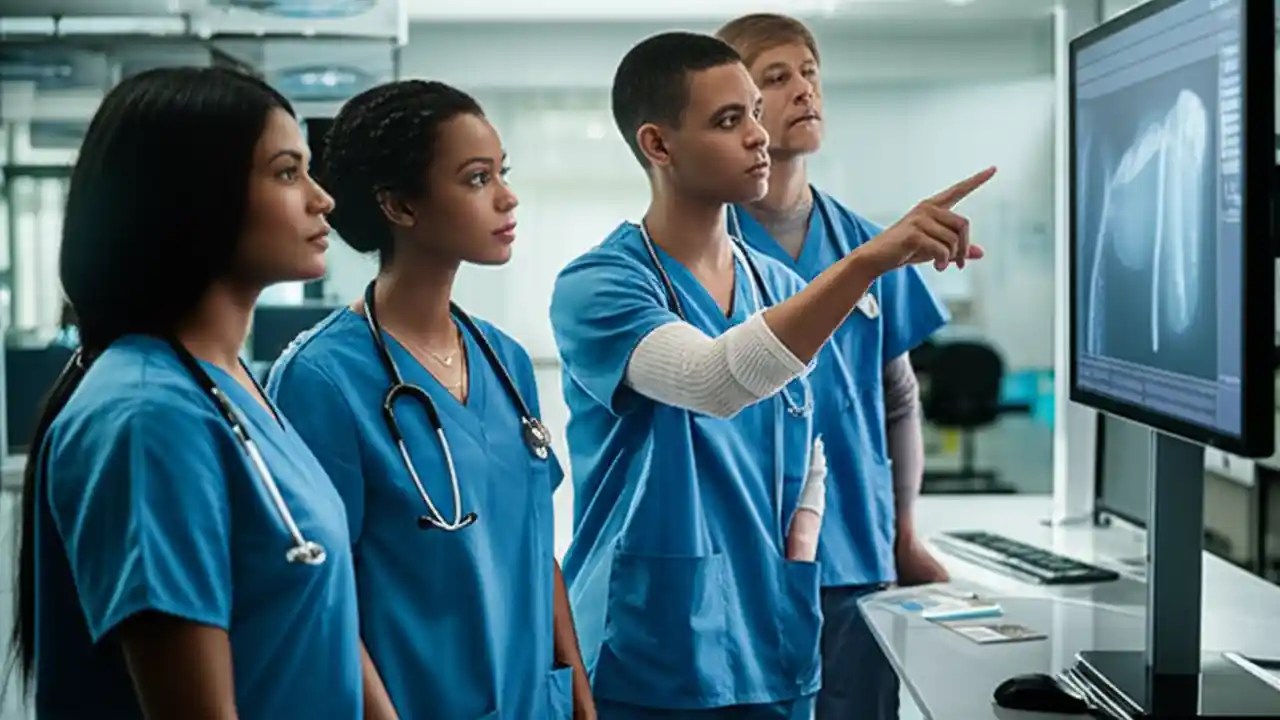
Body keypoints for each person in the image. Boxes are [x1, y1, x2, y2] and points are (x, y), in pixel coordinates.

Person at [548, 31, 991, 719]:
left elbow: (810, 451)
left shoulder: (778, 284)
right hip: (651, 645)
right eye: (730, 121)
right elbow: (712, 382)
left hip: (773, 639)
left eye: (756, 111)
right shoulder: (600, 287)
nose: (758, 135)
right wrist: (865, 263)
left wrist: (795, 562)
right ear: (658, 146)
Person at [7, 67, 368, 719]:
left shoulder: (228, 385)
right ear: (193, 197)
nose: (323, 200)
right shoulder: (147, 414)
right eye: (288, 172)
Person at [265, 79, 595, 720]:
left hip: (533, 702)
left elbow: (534, 547)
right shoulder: (323, 378)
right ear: (399, 206)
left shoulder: (505, 361)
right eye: (476, 179)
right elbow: (321, 592)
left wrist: (579, 695)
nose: (508, 196)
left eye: (502, 172)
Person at [715, 14, 988, 718]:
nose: (804, 89)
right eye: (777, 77)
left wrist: (904, 531)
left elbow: (897, 398)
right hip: (748, 561)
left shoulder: (869, 244)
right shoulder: (703, 248)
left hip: (858, 558)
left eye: (809, 72)